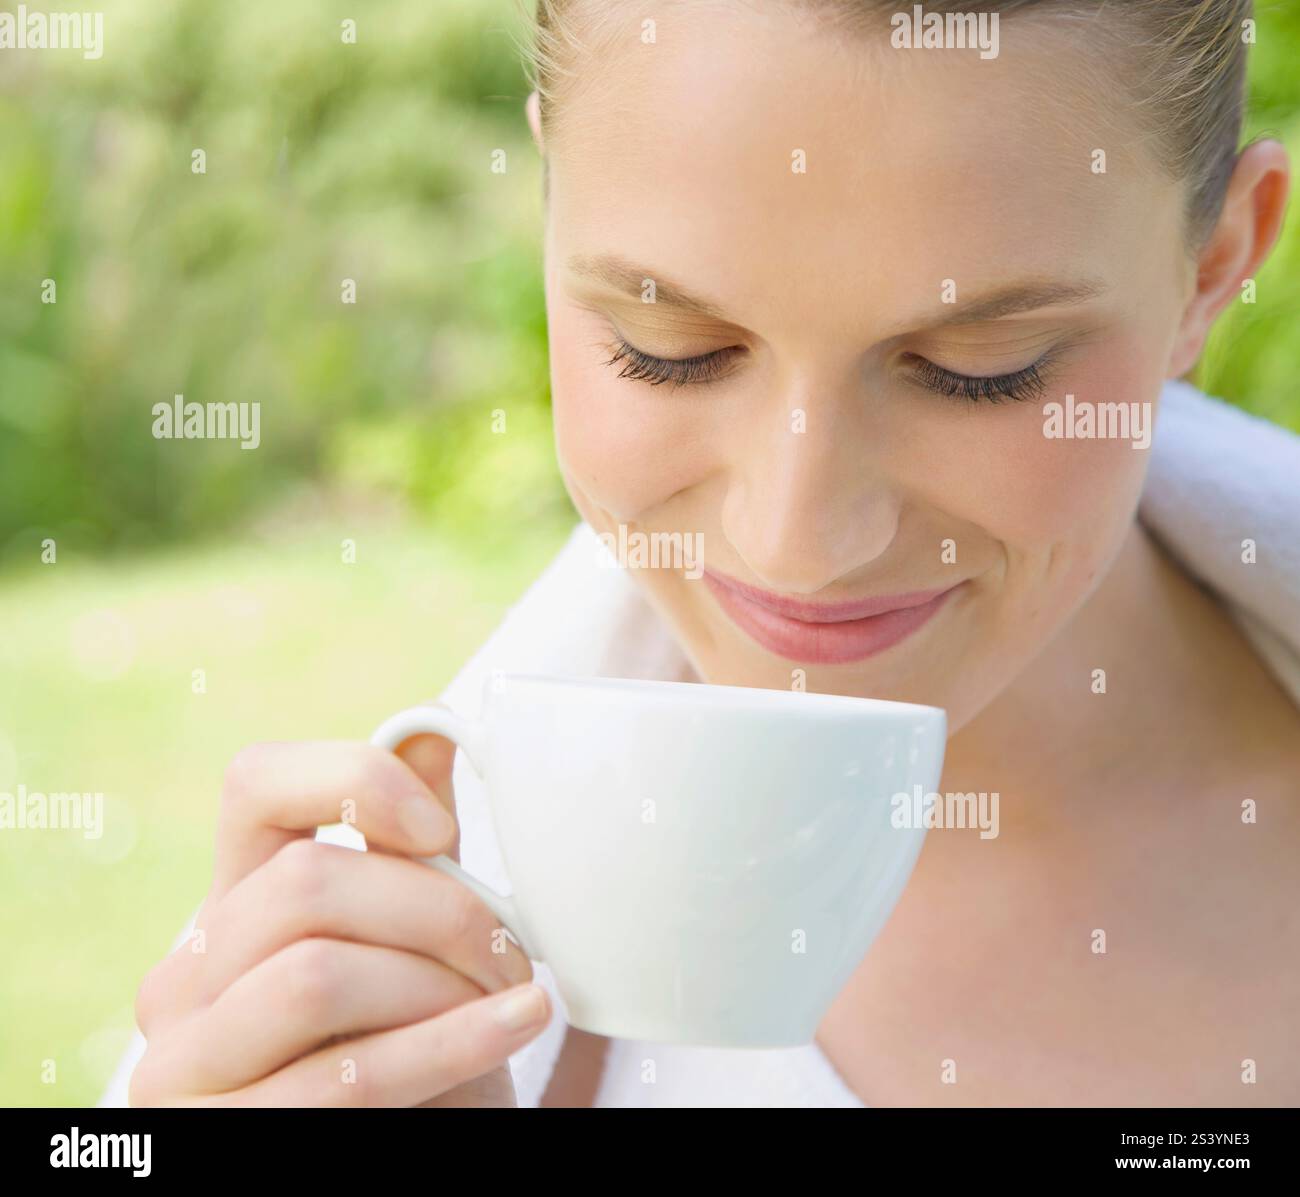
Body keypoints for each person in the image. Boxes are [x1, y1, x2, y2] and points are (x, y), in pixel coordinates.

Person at [109, 0, 1300, 1107]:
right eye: (663, 347)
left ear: (1212, 271)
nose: (798, 543)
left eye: (980, 369)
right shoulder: (354, 1008)